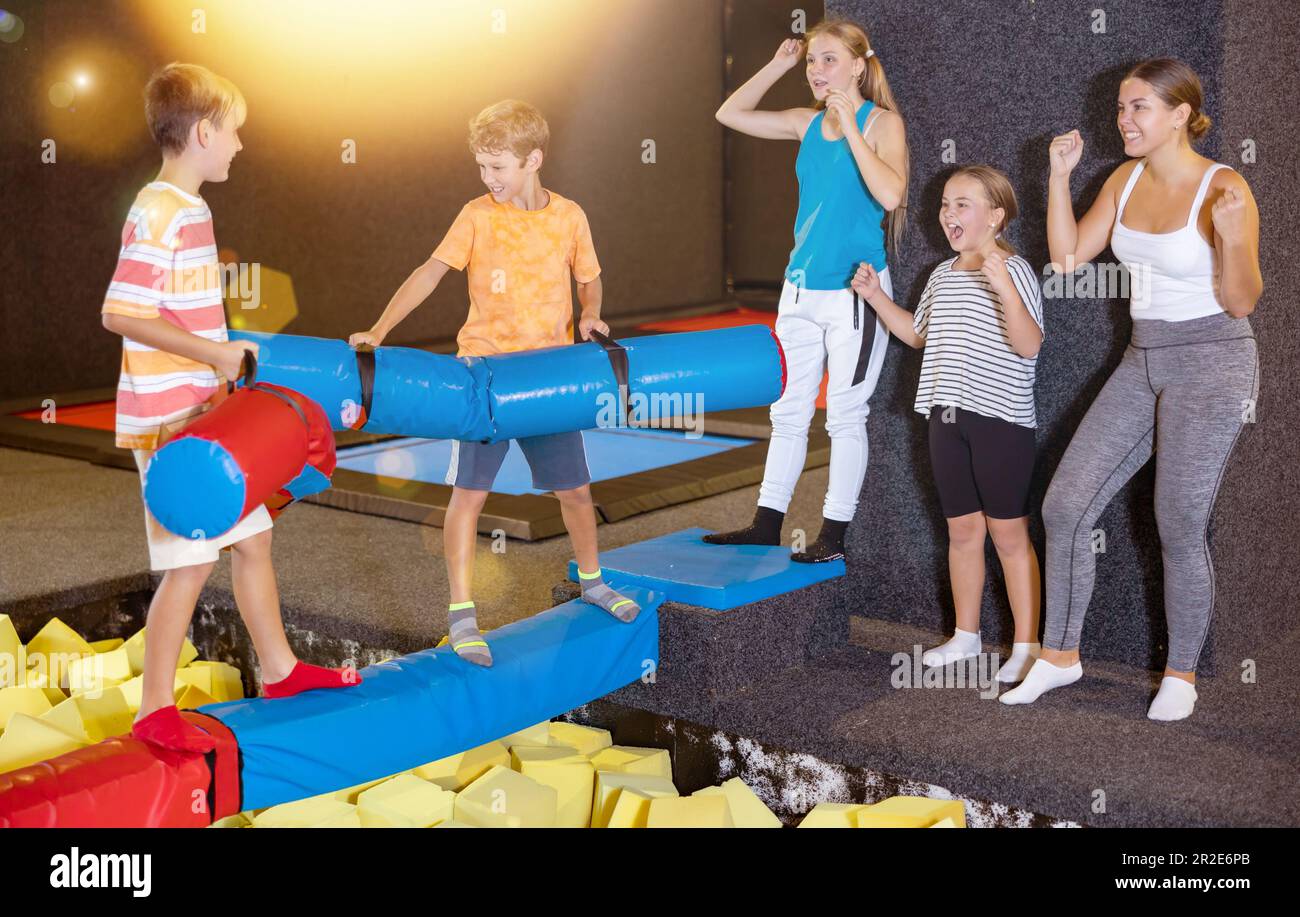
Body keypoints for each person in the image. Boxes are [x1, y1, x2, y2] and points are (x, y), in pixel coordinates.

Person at [102, 63, 360, 753]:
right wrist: (215, 357)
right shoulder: (161, 207)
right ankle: (154, 708)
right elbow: (120, 311)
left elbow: (181, 311)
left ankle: (278, 670)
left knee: (253, 540)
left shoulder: (190, 208)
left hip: (204, 415)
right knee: (190, 564)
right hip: (171, 424)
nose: (241, 147)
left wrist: (220, 367)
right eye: (235, 133)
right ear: (205, 132)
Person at [1001, 59, 1262, 720]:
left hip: (1212, 359)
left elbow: (1240, 301)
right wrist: (1058, 177)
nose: (1125, 120)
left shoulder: (1224, 186)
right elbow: (1066, 260)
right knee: (1063, 506)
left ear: (1181, 114)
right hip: (1143, 357)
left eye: (1140, 106)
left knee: (1177, 521)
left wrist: (1232, 241)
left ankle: (1182, 673)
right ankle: (1060, 656)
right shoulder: (1125, 176)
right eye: (1122, 107)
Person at [348, 100, 639, 668]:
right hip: (484, 378)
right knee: (469, 497)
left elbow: (591, 279)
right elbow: (430, 272)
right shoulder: (476, 215)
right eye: (482, 167)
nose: (489, 179)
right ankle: (462, 614)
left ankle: (594, 582)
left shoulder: (569, 216)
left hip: (549, 380)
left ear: (533, 159)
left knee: (576, 492)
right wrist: (379, 329)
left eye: (498, 167)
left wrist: (590, 314)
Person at [705, 18, 909, 563]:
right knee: (789, 411)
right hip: (798, 291)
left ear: (858, 67)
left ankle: (834, 535)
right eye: (811, 61)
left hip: (854, 294)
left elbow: (890, 195)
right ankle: (766, 523)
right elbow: (729, 114)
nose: (817, 70)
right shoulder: (804, 123)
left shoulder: (882, 123)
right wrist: (777, 64)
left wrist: (853, 126)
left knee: (844, 415)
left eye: (829, 60)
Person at [854, 166, 1044, 684]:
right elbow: (917, 336)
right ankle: (966, 636)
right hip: (946, 419)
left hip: (1000, 424)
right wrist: (875, 297)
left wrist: (1002, 285)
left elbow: (1029, 344)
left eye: (963, 204)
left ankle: (1027, 647)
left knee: (1008, 535)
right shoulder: (941, 275)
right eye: (944, 204)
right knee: (962, 531)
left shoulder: (1015, 269)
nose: (949, 214)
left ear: (996, 216)